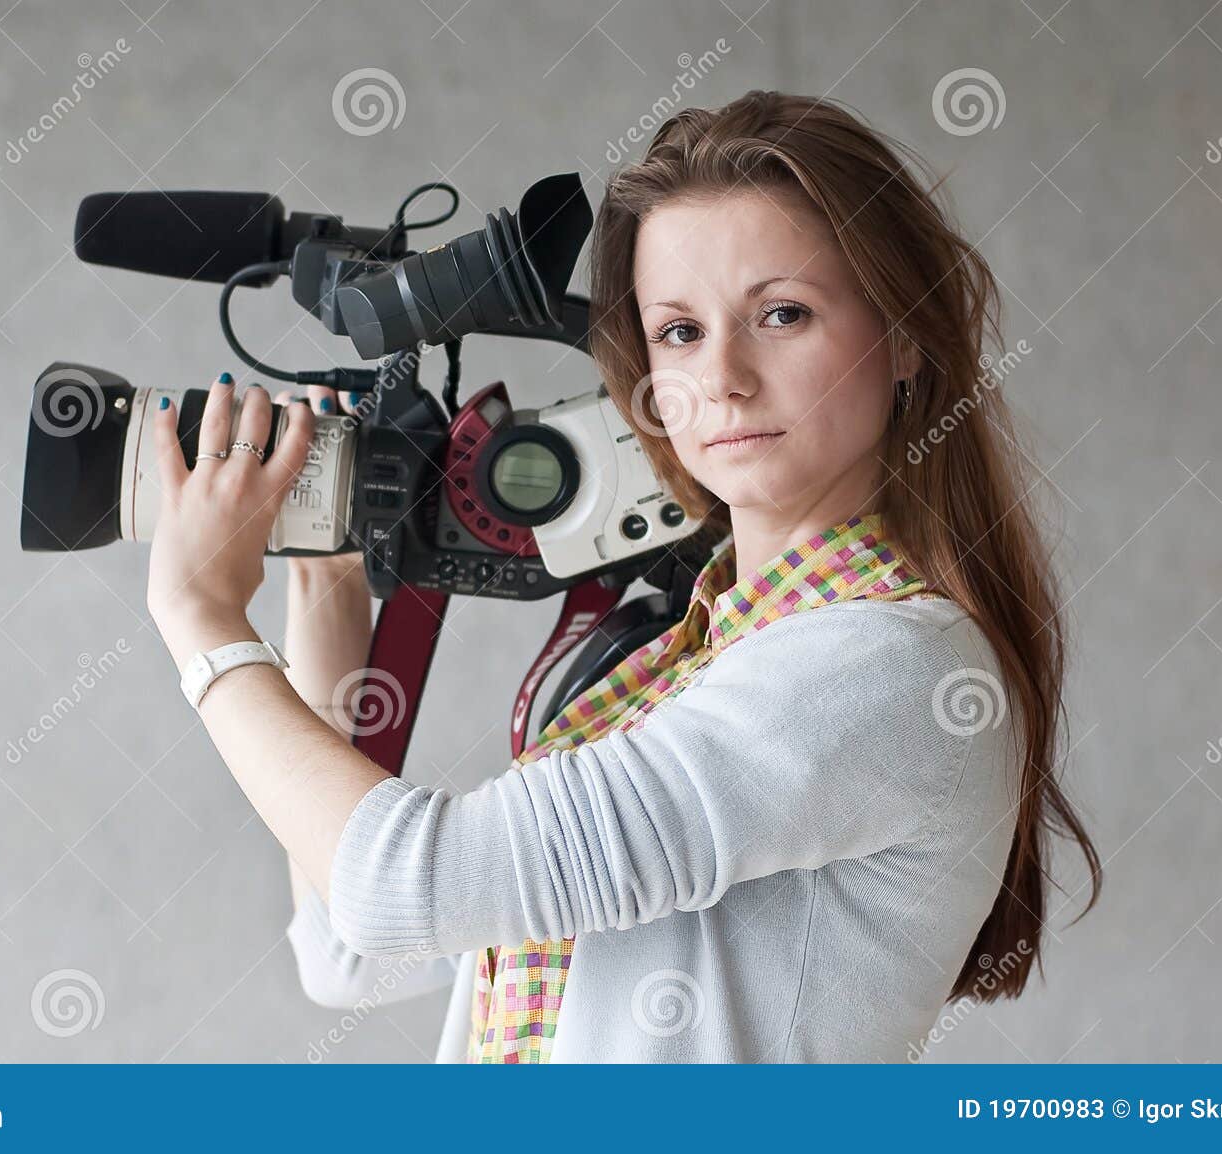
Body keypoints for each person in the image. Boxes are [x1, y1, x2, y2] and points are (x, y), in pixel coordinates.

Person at [143, 89, 1102, 1063]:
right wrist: (328, 584)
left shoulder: (883, 664)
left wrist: (201, 614)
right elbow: (352, 954)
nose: (723, 375)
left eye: (781, 313)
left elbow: (405, 889)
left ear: (904, 336)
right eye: (679, 330)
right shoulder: (690, 653)